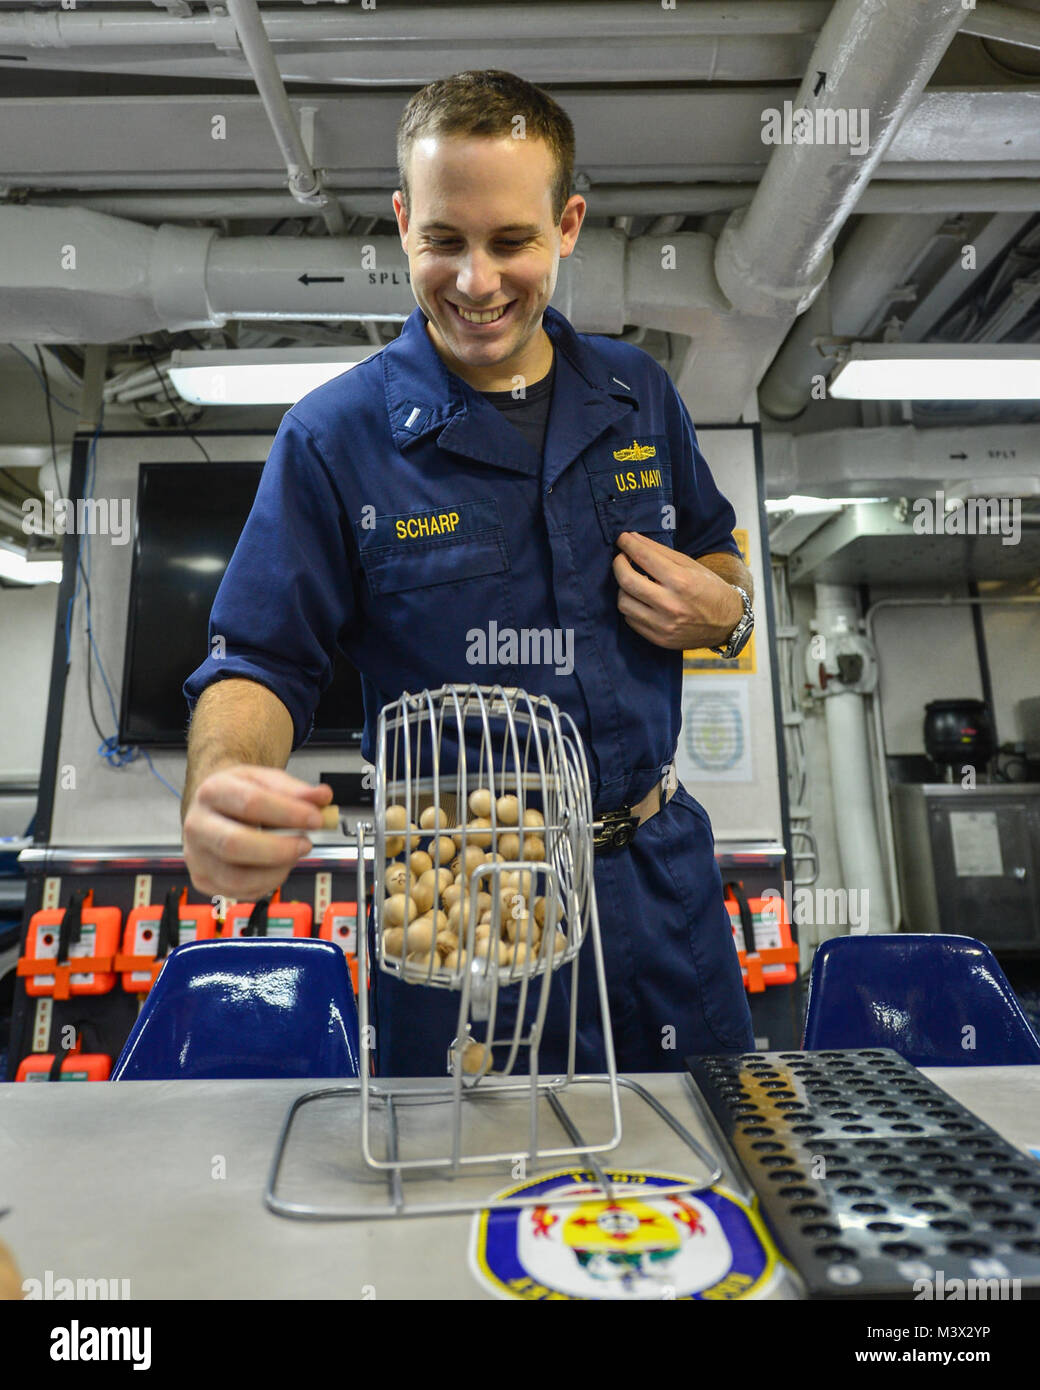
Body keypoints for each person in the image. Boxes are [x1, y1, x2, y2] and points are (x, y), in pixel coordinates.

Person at [182, 69, 756, 1075]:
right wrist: (223, 778)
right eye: (444, 240)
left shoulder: (638, 393)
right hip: (456, 903)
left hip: (661, 889)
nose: (477, 282)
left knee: (705, 1155)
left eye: (511, 241)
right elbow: (259, 661)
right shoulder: (333, 438)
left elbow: (717, 552)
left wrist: (729, 610)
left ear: (567, 226)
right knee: (465, 1168)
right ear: (403, 223)